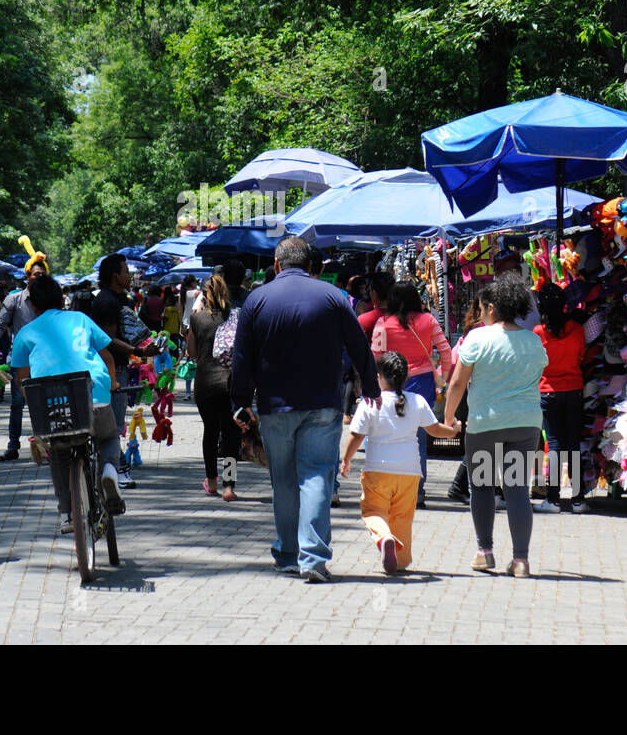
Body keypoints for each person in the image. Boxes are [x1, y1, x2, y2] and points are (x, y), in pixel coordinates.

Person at [229, 236, 379, 583]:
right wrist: (369, 387)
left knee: (283, 481)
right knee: (315, 477)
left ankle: (286, 554)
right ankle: (312, 558)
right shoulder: (333, 297)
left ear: (277, 265)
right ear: (311, 265)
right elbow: (360, 345)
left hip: (274, 406)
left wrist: (239, 402)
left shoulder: (257, 299)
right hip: (322, 406)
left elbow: (241, 357)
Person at [438, 275, 548, 577]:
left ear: (490, 307)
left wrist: (448, 418)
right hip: (525, 424)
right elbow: (538, 371)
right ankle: (521, 560)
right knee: (517, 490)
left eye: (481, 307)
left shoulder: (478, 338)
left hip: (485, 424)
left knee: (482, 487)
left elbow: (458, 382)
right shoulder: (533, 340)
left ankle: (485, 552)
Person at [10, 276, 125, 534]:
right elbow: (107, 356)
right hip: (93, 393)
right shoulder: (81, 320)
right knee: (107, 436)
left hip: (52, 404)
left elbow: (22, 379)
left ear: (33, 306)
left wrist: (36, 405)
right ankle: (109, 470)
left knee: (60, 451)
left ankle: (66, 514)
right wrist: (114, 383)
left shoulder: (26, 333)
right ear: (62, 299)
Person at [341, 352, 459, 573]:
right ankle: (401, 560)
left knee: (374, 511)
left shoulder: (370, 402)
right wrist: (453, 431)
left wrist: (346, 460)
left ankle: (385, 538)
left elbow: (356, 435)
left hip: (378, 470)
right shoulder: (417, 401)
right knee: (402, 517)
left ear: (379, 377)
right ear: (405, 377)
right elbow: (434, 430)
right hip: (410, 472)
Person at [370, 280, 455, 507]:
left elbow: (375, 355)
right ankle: (417, 491)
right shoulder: (429, 320)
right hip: (422, 383)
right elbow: (446, 351)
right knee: (418, 438)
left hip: (391, 383)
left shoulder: (383, 323)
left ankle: (390, 489)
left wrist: (375, 384)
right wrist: (442, 377)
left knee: (388, 435)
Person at [91, 254, 160, 488]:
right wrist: (137, 352)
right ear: (114, 276)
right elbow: (107, 340)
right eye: (125, 271)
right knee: (113, 424)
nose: (129, 276)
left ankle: (113, 468)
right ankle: (117, 470)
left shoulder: (120, 299)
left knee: (114, 423)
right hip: (109, 370)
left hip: (120, 366)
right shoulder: (106, 301)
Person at [533, 282, 588, 514]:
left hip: (548, 391)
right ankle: (578, 499)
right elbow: (581, 355)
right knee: (573, 444)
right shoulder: (577, 329)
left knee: (554, 444)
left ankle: (553, 499)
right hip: (574, 390)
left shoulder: (538, 332)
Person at [0, 258, 50, 461]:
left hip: (46, 360)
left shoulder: (50, 300)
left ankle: (45, 445)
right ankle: (13, 446)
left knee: (43, 403)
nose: (39, 278)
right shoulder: (14, 299)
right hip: (21, 360)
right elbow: (0, 325)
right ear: (27, 276)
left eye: (43, 275)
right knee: (17, 403)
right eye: (36, 274)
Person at [188, 274, 243, 500]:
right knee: (231, 436)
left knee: (210, 432)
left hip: (205, 382)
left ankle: (212, 482)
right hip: (230, 382)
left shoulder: (197, 319)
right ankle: (229, 486)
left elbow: (192, 353)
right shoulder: (234, 317)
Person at [446, 295, 486, 504]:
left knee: (477, 442)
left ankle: (460, 486)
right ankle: (463, 487)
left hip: (468, 394)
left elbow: (452, 372)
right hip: (475, 394)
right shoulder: (481, 334)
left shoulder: (468, 334)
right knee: (479, 442)